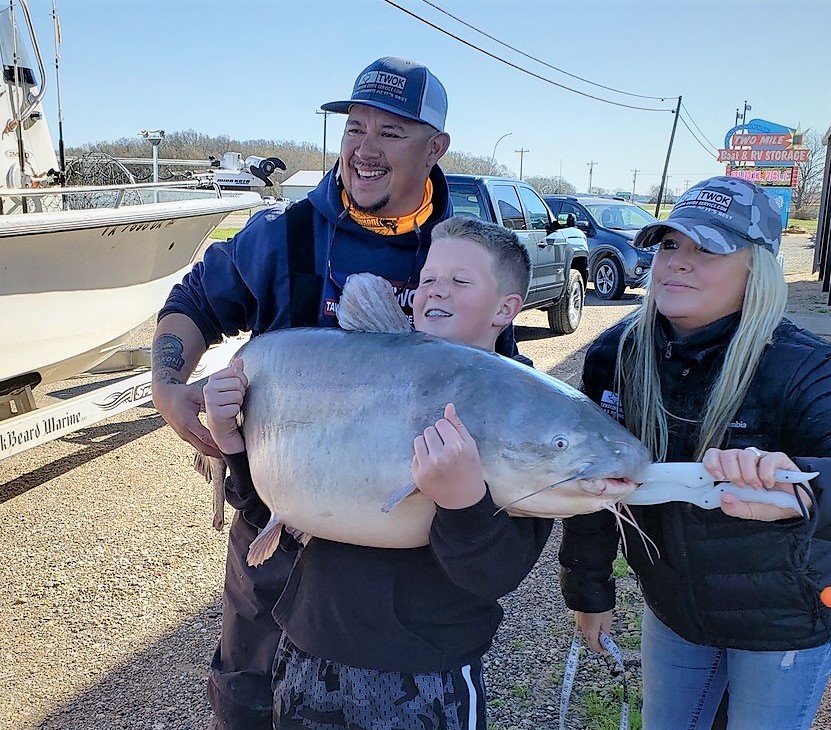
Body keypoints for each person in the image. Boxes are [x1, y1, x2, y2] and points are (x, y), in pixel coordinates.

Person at [152, 57, 522, 728]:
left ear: (435, 148)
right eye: (354, 127)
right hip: (275, 521)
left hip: (393, 560)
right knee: (245, 696)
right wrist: (168, 387)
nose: (364, 148)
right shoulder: (283, 235)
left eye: (390, 131)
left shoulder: (457, 260)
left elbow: (499, 388)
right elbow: (194, 301)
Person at [203, 216, 553, 728]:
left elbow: (495, 572)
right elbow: (273, 506)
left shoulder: (527, 412)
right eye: (430, 278)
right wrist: (231, 441)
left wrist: (464, 503)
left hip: (426, 672)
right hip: (308, 648)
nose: (438, 290)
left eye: (461, 281)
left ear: (507, 308)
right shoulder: (355, 376)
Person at [558, 176, 831, 730]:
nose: (677, 263)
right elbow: (590, 485)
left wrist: (803, 485)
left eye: (706, 249)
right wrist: (588, 588)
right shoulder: (615, 354)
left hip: (784, 622)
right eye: (669, 245)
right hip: (675, 612)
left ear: (757, 269)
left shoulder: (803, 367)